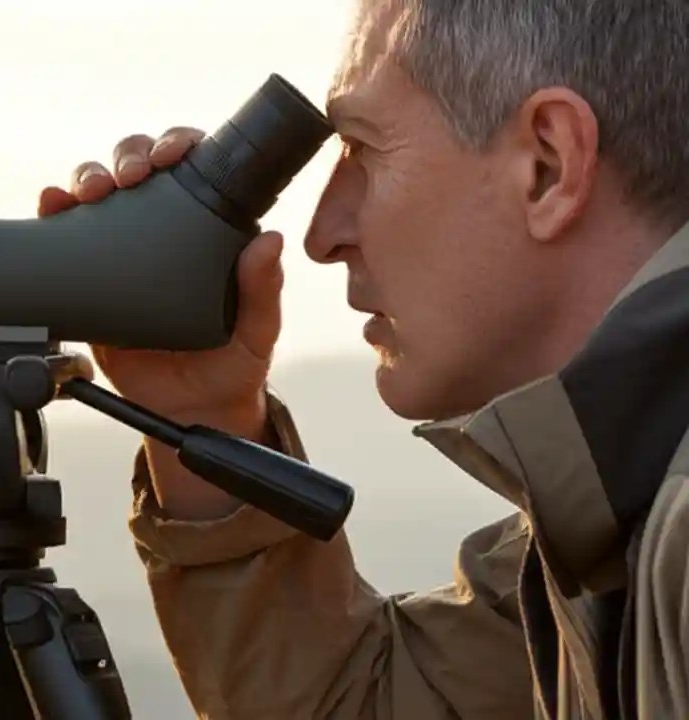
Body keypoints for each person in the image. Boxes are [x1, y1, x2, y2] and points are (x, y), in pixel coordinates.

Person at [37, 1, 689, 718]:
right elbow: (370, 703)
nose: (322, 234)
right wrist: (203, 416)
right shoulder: (613, 526)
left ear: (547, 164)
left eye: (365, 151)